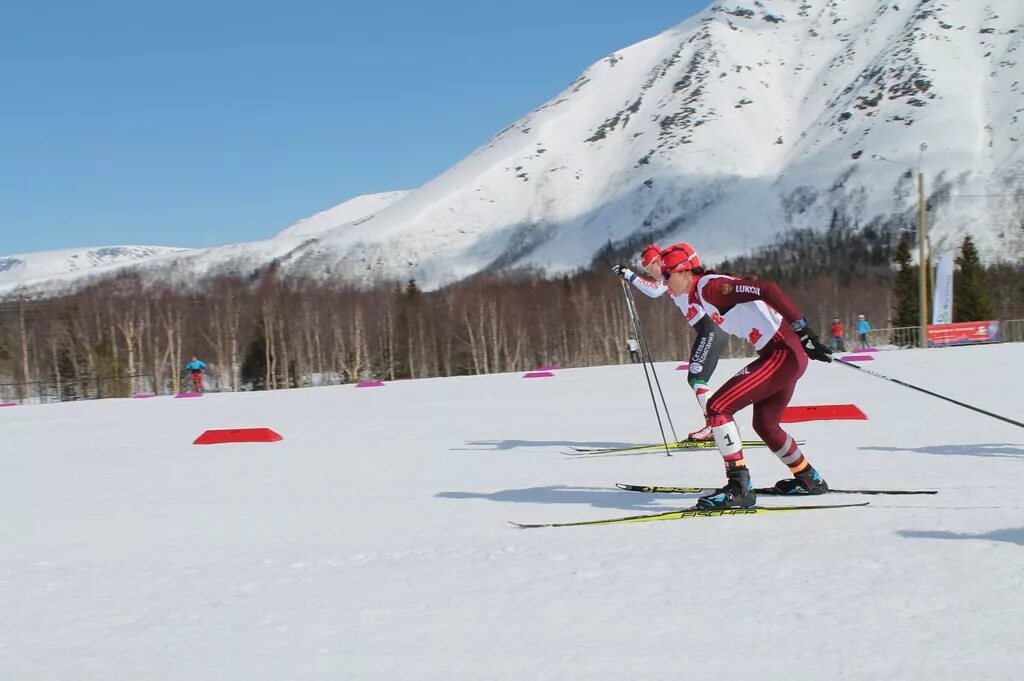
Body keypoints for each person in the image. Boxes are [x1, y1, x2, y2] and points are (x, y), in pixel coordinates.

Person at [656, 241, 833, 508]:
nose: (664, 282)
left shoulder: (710, 287)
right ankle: (809, 478)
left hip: (782, 353)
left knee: (718, 407)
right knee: (765, 424)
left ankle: (739, 487)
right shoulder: (703, 292)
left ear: (684, 272)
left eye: (667, 275)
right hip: (783, 354)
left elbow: (768, 289)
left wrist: (803, 330)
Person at [612, 245, 728, 441]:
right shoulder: (670, 277)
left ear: (659, 262)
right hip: (707, 328)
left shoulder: (672, 273)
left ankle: (715, 425)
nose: (651, 273)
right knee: (696, 378)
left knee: (696, 377)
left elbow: (655, 291)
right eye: (647, 270)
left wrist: (629, 275)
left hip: (710, 328)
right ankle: (716, 423)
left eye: (650, 268)